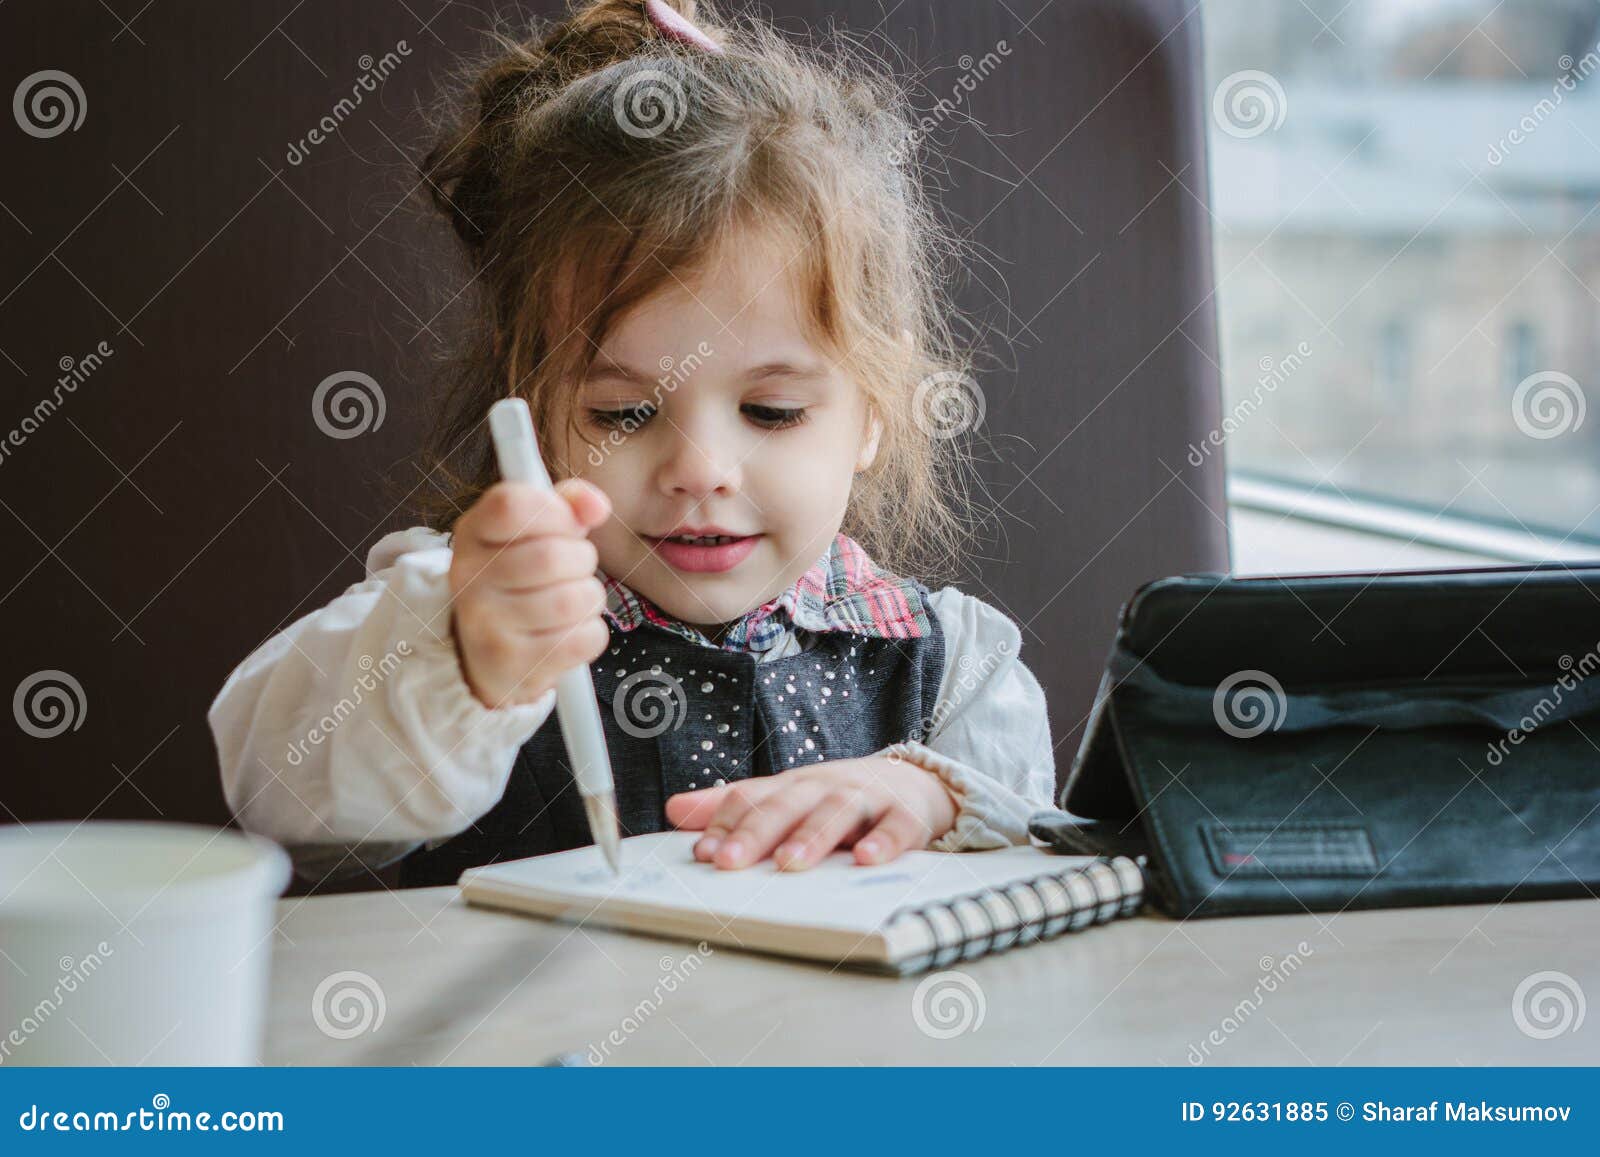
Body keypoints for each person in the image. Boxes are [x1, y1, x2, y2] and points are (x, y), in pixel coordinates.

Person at [209, 0, 1056, 888]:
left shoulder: (954, 665)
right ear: (532, 408)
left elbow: (1052, 850)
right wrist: (464, 659)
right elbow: (276, 796)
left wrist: (933, 798)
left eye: (770, 411)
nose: (698, 470)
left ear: (875, 413)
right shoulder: (465, 606)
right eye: (623, 414)